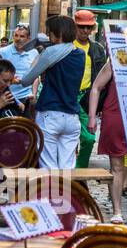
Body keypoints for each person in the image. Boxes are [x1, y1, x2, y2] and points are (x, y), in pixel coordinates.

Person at [17, 16, 87, 170]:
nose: (49, 36)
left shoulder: (50, 52)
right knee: (67, 168)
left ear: (57, 34)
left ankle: (50, 194)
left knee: (48, 167)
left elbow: (27, 79)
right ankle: (66, 194)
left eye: (50, 33)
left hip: (50, 113)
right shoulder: (80, 54)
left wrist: (38, 59)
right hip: (72, 116)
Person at [87, 59, 127, 226]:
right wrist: (92, 117)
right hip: (115, 115)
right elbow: (96, 87)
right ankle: (117, 211)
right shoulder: (116, 61)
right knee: (117, 165)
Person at [73, 10, 108, 169]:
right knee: (68, 138)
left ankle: (79, 172)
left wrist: (100, 104)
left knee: (89, 138)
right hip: (68, 96)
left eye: (89, 27)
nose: (85, 31)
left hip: (87, 98)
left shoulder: (98, 49)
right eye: (82, 27)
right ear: (75, 26)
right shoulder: (67, 46)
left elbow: (102, 79)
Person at [0, 23, 38, 114]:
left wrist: (34, 94)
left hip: (27, 97)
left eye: (22, 36)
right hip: (7, 97)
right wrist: (11, 81)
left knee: (26, 127)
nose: (18, 39)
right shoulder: (2, 52)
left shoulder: (34, 53)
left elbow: (35, 76)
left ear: (29, 38)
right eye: (16, 35)